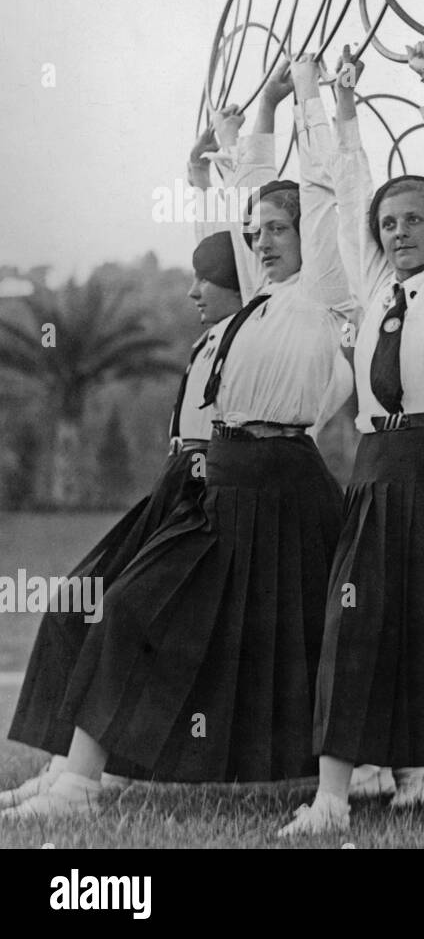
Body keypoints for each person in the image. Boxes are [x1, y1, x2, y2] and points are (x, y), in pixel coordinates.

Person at [2, 59, 354, 820]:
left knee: (333, 633)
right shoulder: (259, 297)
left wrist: (315, 102)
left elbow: (323, 193)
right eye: (258, 233)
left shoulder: (325, 295)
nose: (262, 243)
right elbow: (243, 210)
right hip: (225, 480)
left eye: (281, 233)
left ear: (313, 240)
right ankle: (77, 782)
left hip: (284, 481)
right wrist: (260, 111)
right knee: (122, 608)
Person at [278, 43, 424, 836]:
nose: (400, 231)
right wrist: (338, 108)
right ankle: (330, 797)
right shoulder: (373, 287)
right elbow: (342, 185)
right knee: (358, 620)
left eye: (414, 220)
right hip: (380, 467)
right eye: (390, 223)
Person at [1, 219, 244, 808]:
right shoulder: (211, 337)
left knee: (122, 613)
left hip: (215, 492)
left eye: (207, 280)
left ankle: (82, 781)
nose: (193, 292)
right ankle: (69, 768)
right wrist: (201, 170)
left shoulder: (259, 332)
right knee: (73, 604)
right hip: (174, 487)